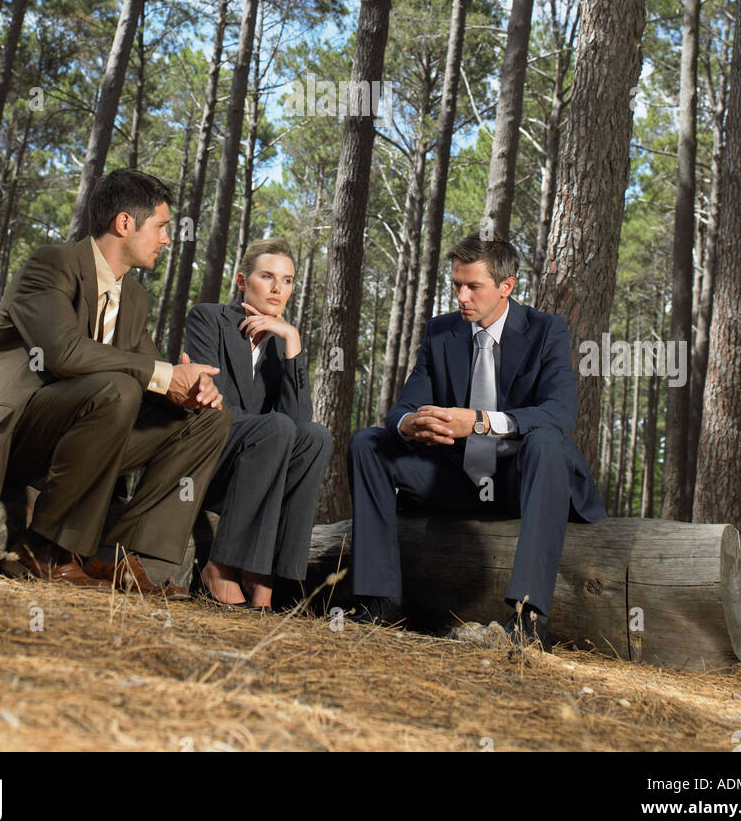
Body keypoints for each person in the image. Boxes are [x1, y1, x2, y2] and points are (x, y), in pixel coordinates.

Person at [0, 168, 232, 595]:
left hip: (85, 434)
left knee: (211, 419)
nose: (167, 240)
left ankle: (121, 554)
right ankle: (45, 548)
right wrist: (162, 374)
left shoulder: (132, 296)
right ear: (124, 223)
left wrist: (188, 391)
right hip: (15, 435)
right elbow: (64, 352)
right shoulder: (51, 264)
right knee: (118, 388)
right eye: (162, 227)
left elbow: (144, 368)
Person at [346, 233, 606, 646]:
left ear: (506, 286)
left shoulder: (546, 331)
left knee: (546, 442)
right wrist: (412, 423)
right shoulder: (441, 332)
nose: (461, 296)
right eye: (456, 285)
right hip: (458, 480)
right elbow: (401, 409)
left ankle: (528, 617)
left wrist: (481, 422)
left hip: (521, 480)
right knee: (368, 442)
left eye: (473, 286)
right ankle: (381, 600)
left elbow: (559, 415)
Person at [182, 238, 332, 610]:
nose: (279, 288)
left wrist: (292, 340)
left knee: (317, 436)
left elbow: (300, 426)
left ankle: (271, 573)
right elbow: (211, 402)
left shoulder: (283, 344)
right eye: (267, 277)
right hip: (213, 457)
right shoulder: (208, 318)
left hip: (266, 462)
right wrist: (271, 429)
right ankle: (220, 565)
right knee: (277, 427)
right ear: (242, 280)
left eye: (288, 280)